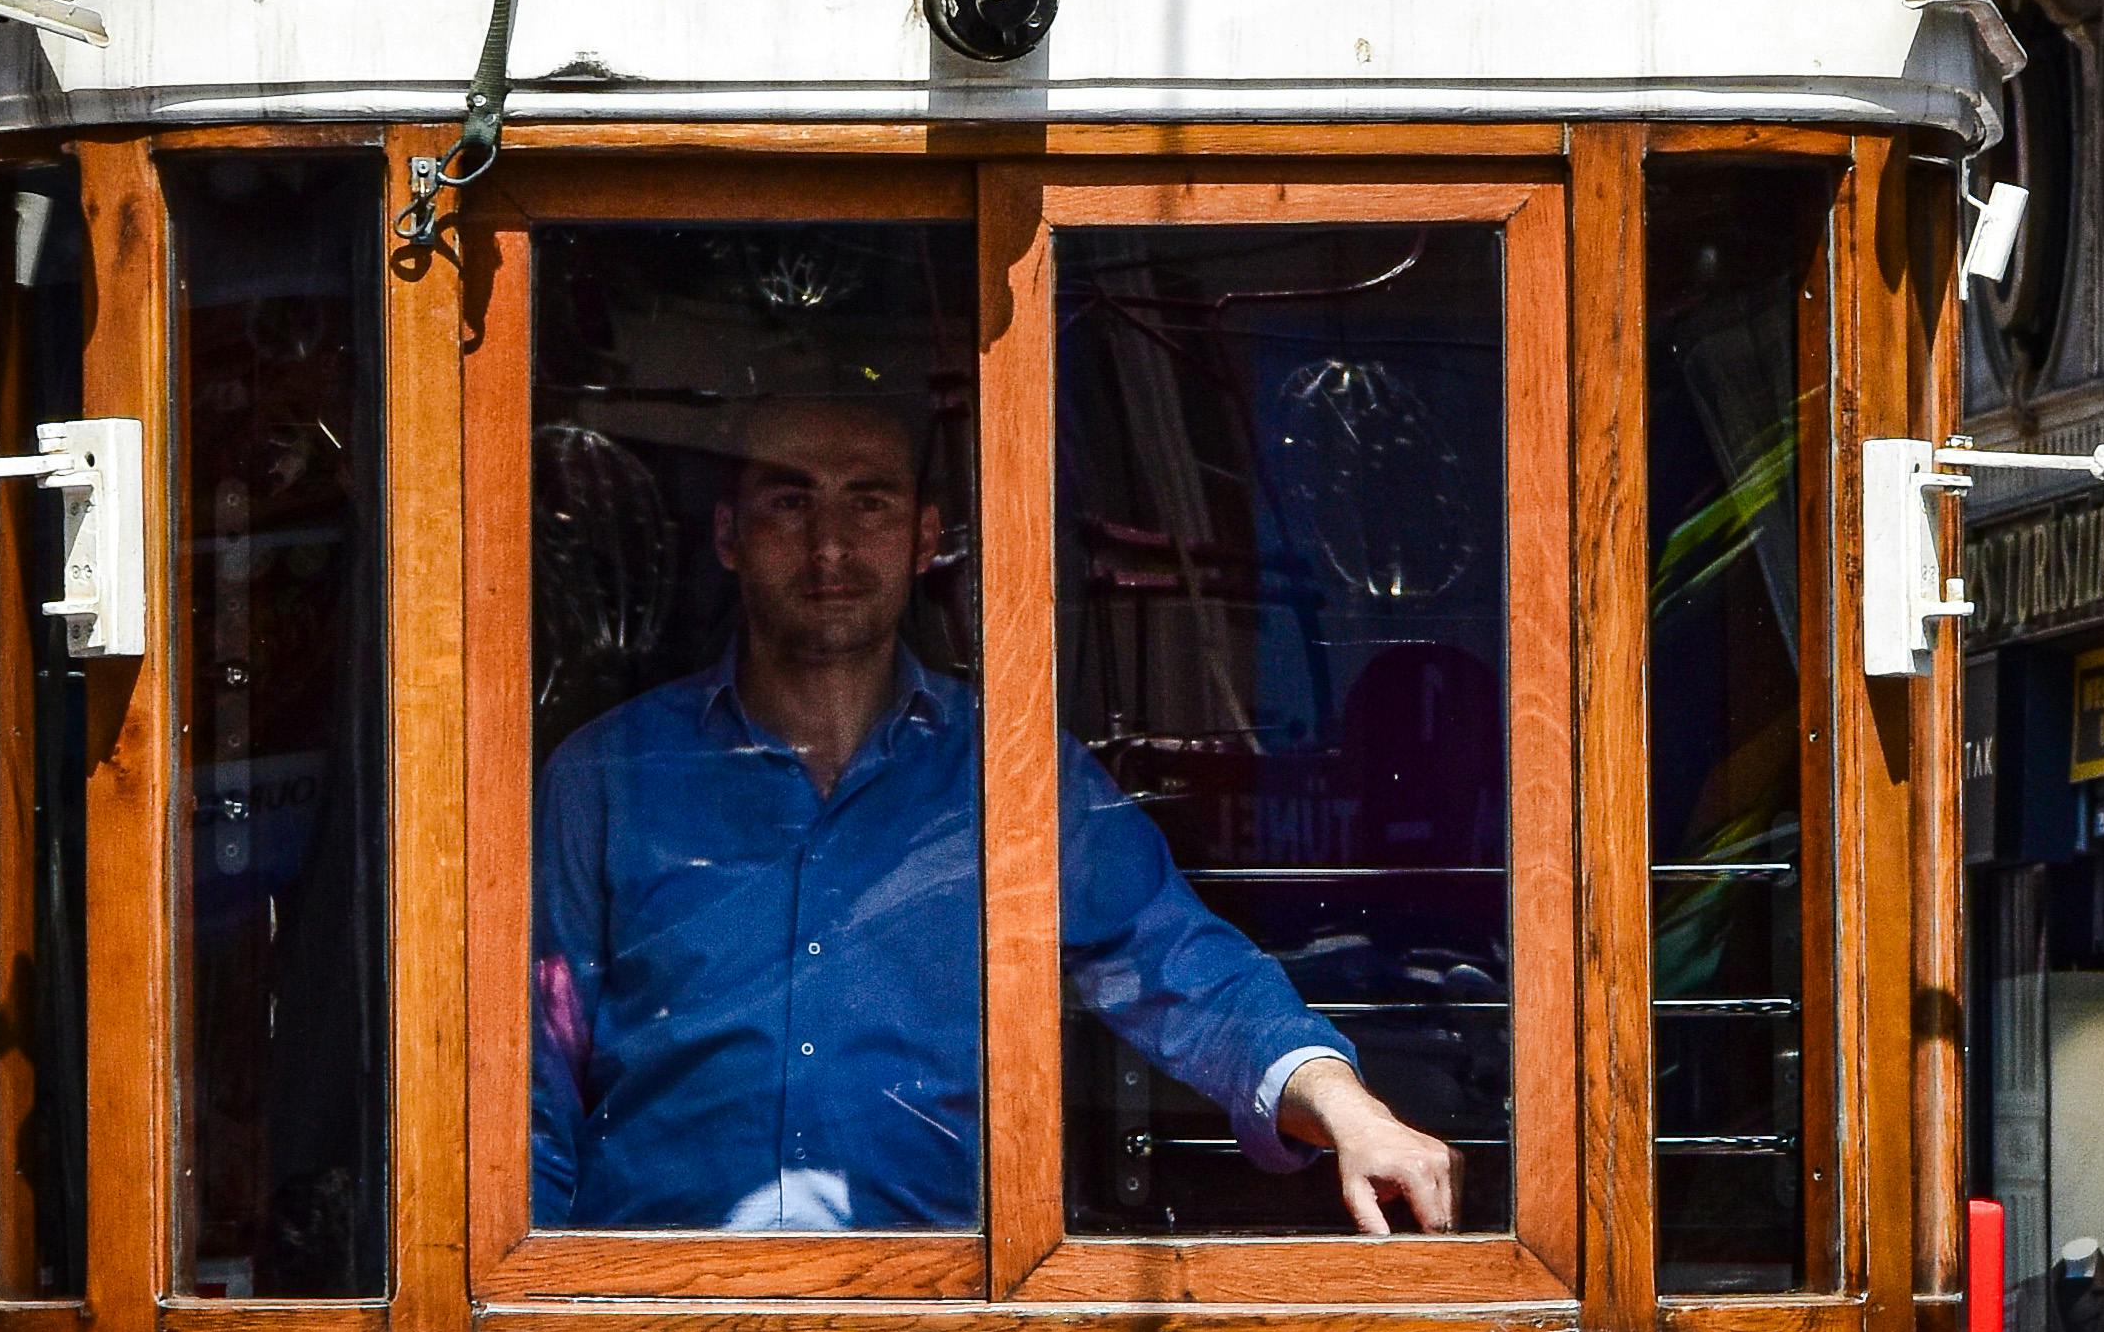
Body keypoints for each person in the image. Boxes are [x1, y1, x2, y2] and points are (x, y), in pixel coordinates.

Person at [530, 382, 1456, 1238]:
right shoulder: (610, 775)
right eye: (788, 500)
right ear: (728, 535)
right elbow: (528, 1079)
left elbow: (1178, 965)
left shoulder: (1007, 770)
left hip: (935, 1316)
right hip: (654, 1318)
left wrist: (1345, 1106)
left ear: (926, 537)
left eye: (870, 501)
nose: (830, 545)